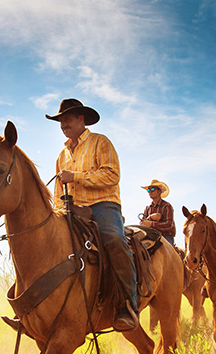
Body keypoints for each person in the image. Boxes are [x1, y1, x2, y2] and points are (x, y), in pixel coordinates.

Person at [48, 97, 138, 331]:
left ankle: (127, 305)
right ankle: (41, 310)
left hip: (102, 206)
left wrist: (76, 177)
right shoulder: (62, 155)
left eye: (67, 119)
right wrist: (58, 210)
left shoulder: (101, 142)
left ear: (81, 119)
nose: (63, 125)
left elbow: (111, 175)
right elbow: (59, 190)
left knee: (115, 241)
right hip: (72, 210)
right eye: (60, 121)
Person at [139, 178, 175, 246]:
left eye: (152, 189)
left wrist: (152, 224)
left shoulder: (167, 206)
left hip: (166, 237)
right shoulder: (148, 208)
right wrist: (150, 217)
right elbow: (142, 224)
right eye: (148, 190)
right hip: (151, 237)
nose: (150, 192)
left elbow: (169, 225)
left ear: (159, 191)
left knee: (167, 255)